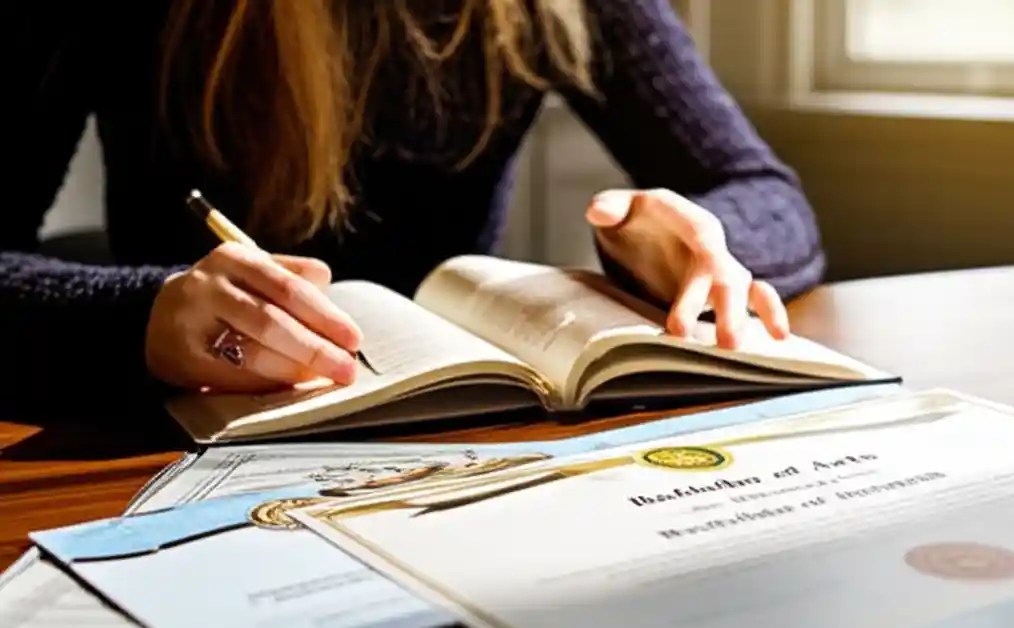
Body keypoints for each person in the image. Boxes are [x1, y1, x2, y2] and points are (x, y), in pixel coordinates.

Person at [9, 0, 825, 416]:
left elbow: (765, 193)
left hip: (469, 434)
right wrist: (140, 317)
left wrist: (694, 246)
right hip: (175, 449)